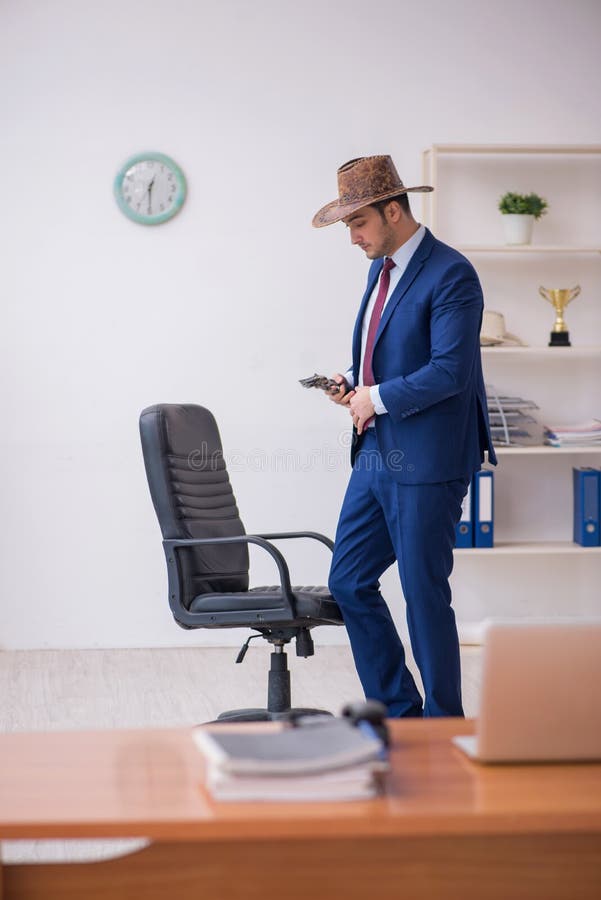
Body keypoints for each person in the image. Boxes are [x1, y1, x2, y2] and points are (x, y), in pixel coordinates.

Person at [312, 155, 496, 718]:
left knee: (422, 595)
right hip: (376, 452)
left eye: (359, 223)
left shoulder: (452, 273)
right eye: (347, 227)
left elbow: (450, 371)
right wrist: (355, 382)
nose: (352, 238)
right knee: (348, 580)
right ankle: (398, 711)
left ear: (394, 211)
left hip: (429, 460)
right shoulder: (380, 267)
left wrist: (377, 398)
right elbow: (388, 350)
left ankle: (443, 725)